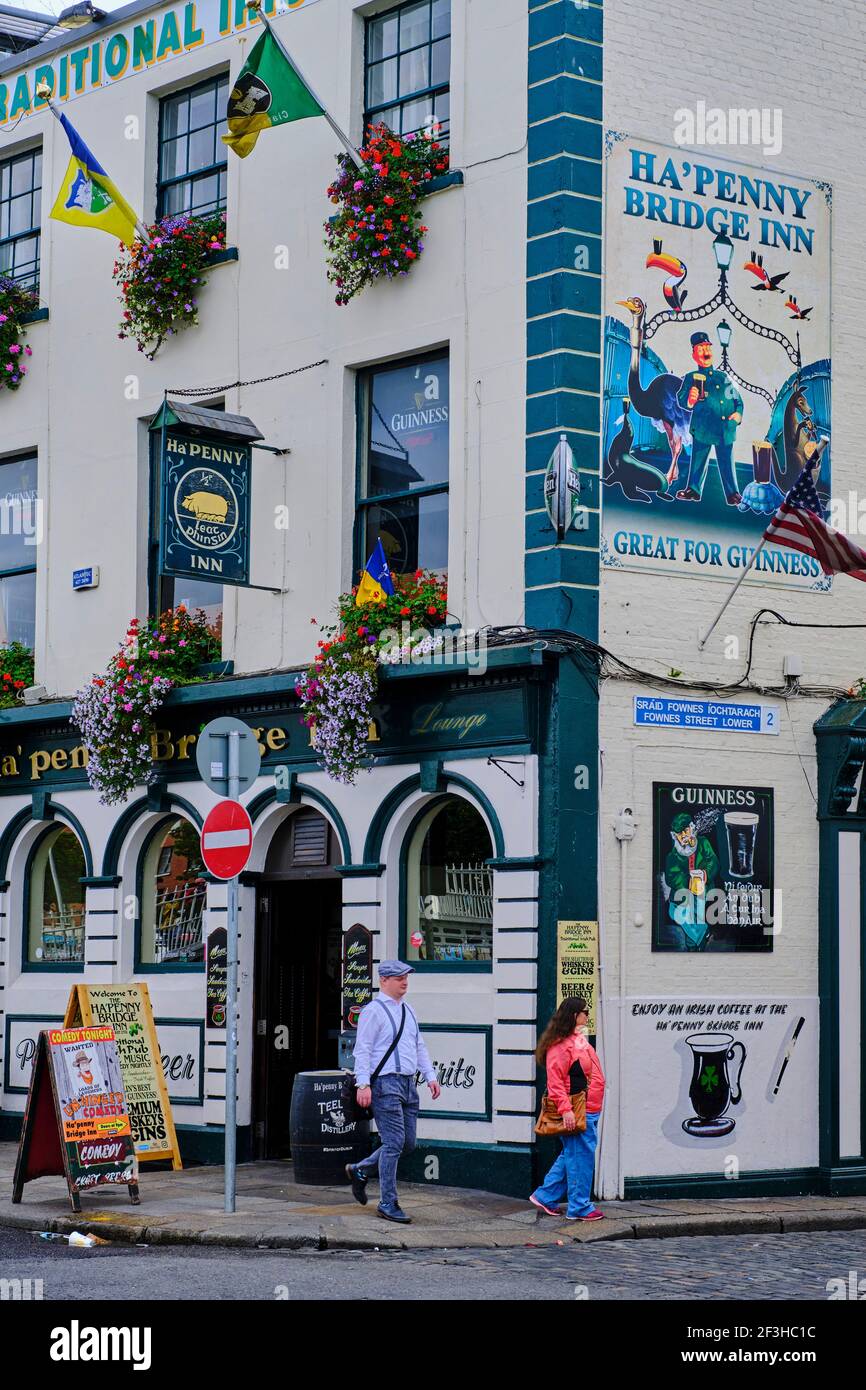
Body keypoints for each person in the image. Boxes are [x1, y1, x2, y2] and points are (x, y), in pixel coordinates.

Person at [345, 960, 441, 1224]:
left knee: (407, 1143)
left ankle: (360, 1170)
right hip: (385, 1084)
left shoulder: (409, 1010)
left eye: (406, 976)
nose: (405, 981)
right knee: (394, 1143)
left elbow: (418, 1045)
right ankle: (388, 1202)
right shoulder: (373, 1011)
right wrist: (363, 1084)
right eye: (399, 977)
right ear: (384, 980)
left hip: (408, 1084)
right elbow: (362, 1049)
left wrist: (430, 1076)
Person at [529, 996, 605, 1221]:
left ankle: (545, 1196)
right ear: (574, 1015)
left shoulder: (575, 1039)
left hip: (588, 1107)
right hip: (578, 1109)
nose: (587, 1015)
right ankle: (580, 1207)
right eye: (585, 1012)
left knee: (573, 1155)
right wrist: (566, 1111)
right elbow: (555, 1083)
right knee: (581, 1158)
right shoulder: (561, 1046)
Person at [676, 331, 744, 505]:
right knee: (698, 459)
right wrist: (690, 400)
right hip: (703, 428)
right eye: (701, 348)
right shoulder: (691, 378)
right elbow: (682, 398)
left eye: (707, 347)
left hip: (724, 428)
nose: (705, 351)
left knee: (726, 462)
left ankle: (733, 493)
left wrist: (738, 414)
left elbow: (737, 399)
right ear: (694, 355)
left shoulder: (723, 377)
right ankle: (693, 489)